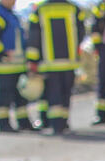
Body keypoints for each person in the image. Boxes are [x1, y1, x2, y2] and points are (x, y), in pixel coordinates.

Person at [26, 0, 86, 134]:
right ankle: (63, 124)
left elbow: (33, 37)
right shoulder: (74, 9)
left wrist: (32, 60)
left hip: (49, 63)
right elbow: (81, 32)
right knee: (65, 94)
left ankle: (56, 125)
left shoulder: (40, 9)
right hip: (69, 62)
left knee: (54, 95)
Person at [0, 0, 35, 132]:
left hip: (18, 64)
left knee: (21, 97)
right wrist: (0, 54)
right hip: (4, 65)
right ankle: (3, 124)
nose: (14, 1)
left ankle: (24, 123)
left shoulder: (12, 15)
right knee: (5, 96)